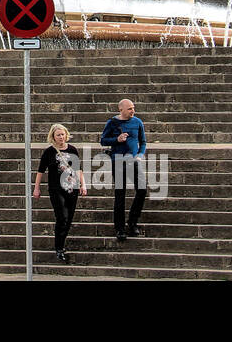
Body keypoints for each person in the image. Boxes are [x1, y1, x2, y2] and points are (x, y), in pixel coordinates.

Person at [34, 123, 87, 263]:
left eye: (63, 134)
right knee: (62, 216)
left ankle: (61, 243)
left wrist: (83, 184)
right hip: (56, 189)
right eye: (58, 135)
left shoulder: (73, 149)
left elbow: (78, 169)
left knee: (69, 218)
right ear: (53, 136)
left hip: (72, 188)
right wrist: (36, 188)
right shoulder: (49, 152)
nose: (61, 137)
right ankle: (59, 247)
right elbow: (40, 171)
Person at [100, 98, 148, 242]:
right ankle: (119, 228)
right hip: (118, 160)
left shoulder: (138, 122)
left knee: (142, 189)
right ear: (121, 110)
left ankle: (132, 222)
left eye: (133, 108)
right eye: (129, 109)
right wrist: (117, 139)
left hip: (133, 161)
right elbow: (103, 140)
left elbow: (143, 142)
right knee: (120, 195)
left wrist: (140, 154)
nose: (133, 111)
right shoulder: (112, 123)